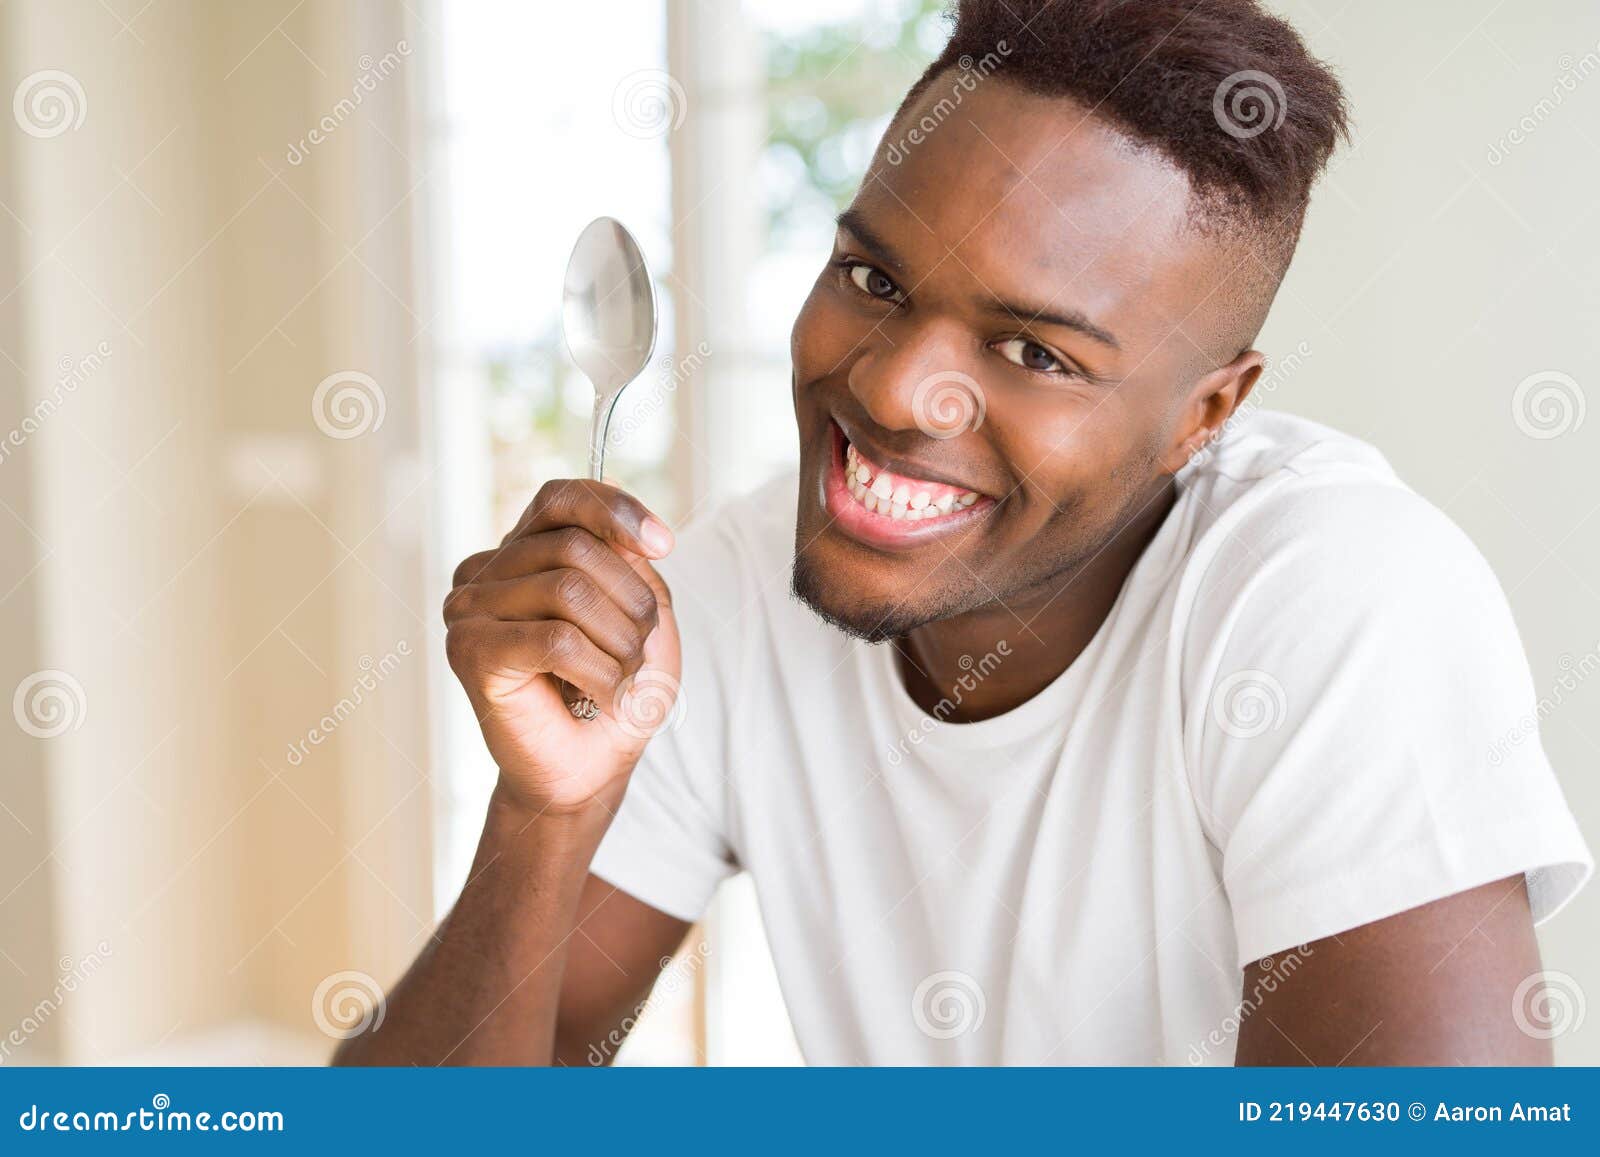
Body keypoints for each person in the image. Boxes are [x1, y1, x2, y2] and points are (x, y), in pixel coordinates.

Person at [336, 0, 1591, 1066]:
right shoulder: (719, 593)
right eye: (875, 281)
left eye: (1033, 350)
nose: (891, 391)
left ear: (1203, 413)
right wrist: (547, 811)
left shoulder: (1333, 599)